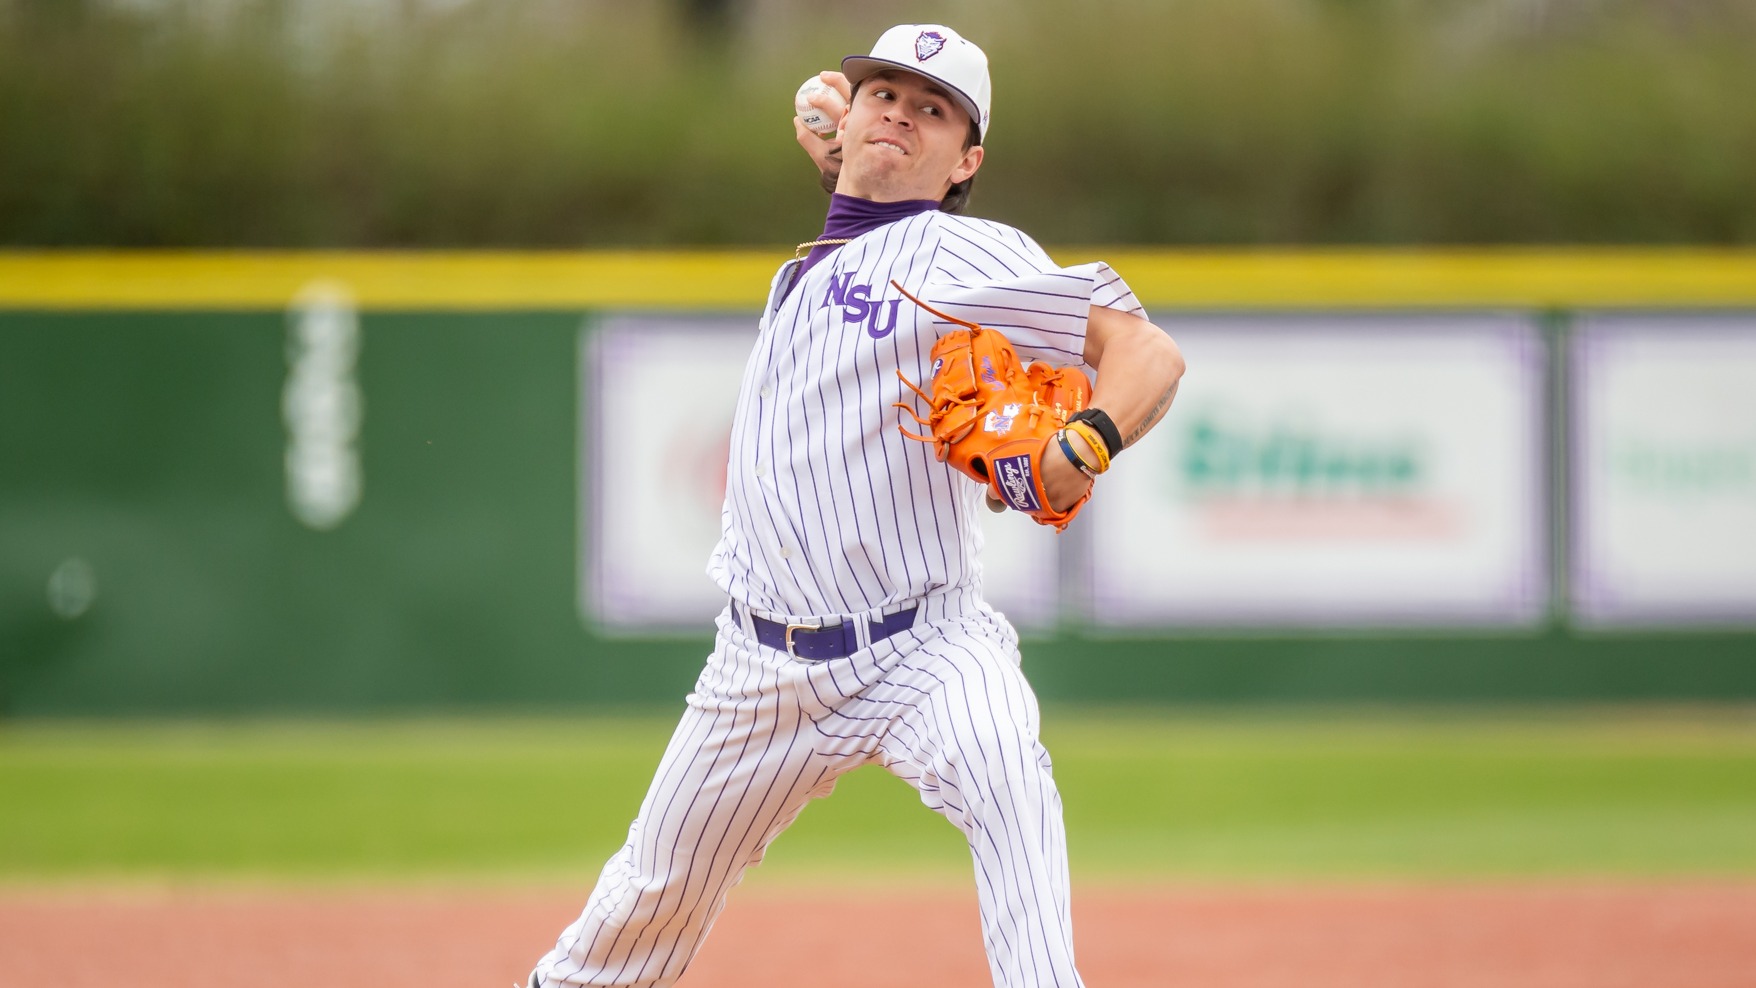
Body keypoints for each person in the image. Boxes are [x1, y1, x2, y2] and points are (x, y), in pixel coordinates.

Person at [527, 23, 1185, 988]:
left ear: (968, 160)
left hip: (924, 646)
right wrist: (844, 136)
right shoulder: (819, 259)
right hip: (760, 664)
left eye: (933, 112)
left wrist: (1082, 441)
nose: (901, 116)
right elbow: (855, 202)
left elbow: (1149, 356)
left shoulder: (967, 254)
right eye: (887, 96)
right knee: (653, 891)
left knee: (1009, 781)